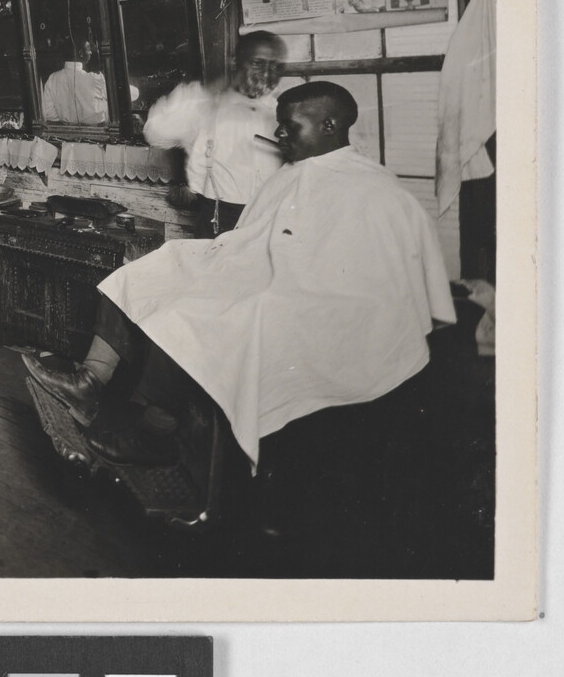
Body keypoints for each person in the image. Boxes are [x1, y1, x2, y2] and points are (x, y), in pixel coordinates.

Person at [24, 82, 455, 470]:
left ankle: (157, 435)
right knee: (146, 272)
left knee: (189, 312)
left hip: (318, 304)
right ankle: (89, 382)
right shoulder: (296, 170)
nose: (279, 134)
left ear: (329, 124)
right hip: (258, 271)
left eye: (289, 126)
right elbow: (255, 238)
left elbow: (345, 273)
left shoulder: (374, 189)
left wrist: (255, 278)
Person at [143, 30, 288, 238]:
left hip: (272, 217)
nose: (267, 74)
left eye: (276, 66)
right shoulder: (207, 104)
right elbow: (155, 133)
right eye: (257, 63)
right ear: (236, 62)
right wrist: (210, 94)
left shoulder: (285, 109)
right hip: (220, 218)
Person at [41, 38, 109, 125]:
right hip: (98, 133)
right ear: (80, 53)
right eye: (88, 49)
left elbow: (50, 114)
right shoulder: (95, 79)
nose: (91, 52)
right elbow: (108, 110)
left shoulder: (52, 79)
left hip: (64, 133)